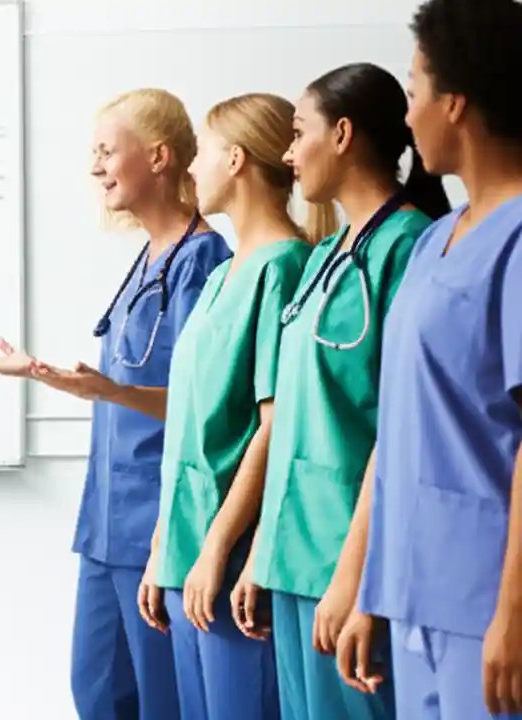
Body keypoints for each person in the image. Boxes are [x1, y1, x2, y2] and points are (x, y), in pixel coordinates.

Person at [0, 88, 231, 720]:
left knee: (162, 704)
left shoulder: (203, 262)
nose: (95, 168)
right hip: (106, 522)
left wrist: (108, 390)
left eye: (107, 151)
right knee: (97, 695)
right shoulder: (148, 258)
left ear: (158, 157)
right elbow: (115, 383)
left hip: (157, 524)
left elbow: (205, 406)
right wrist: (40, 371)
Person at [235, 62, 450, 720]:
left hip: (348, 564)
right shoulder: (326, 255)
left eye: (299, 132)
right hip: (294, 559)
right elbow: (294, 419)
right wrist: (262, 555)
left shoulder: (411, 247)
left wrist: (356, 578)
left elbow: (400, 429)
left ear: (343, 134)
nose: (288, 153)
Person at [340, 0, 522, 717]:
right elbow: (401, 428)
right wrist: (371, 589)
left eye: (414, 91)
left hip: (488, 599)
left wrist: (513, 610)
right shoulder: (429, 243)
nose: (407, 114)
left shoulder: (517, 242)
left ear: (456, 102)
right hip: (412, 593)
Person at [145, 92, 329, 720]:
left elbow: (272, 427)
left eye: (202, 152)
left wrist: (217, 548)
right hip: (184, 555)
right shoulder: (220, 277)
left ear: (236, 159)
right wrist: (162, 547)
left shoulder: (285, 267)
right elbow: (190, 428)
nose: (191, 167)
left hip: (227, 562)